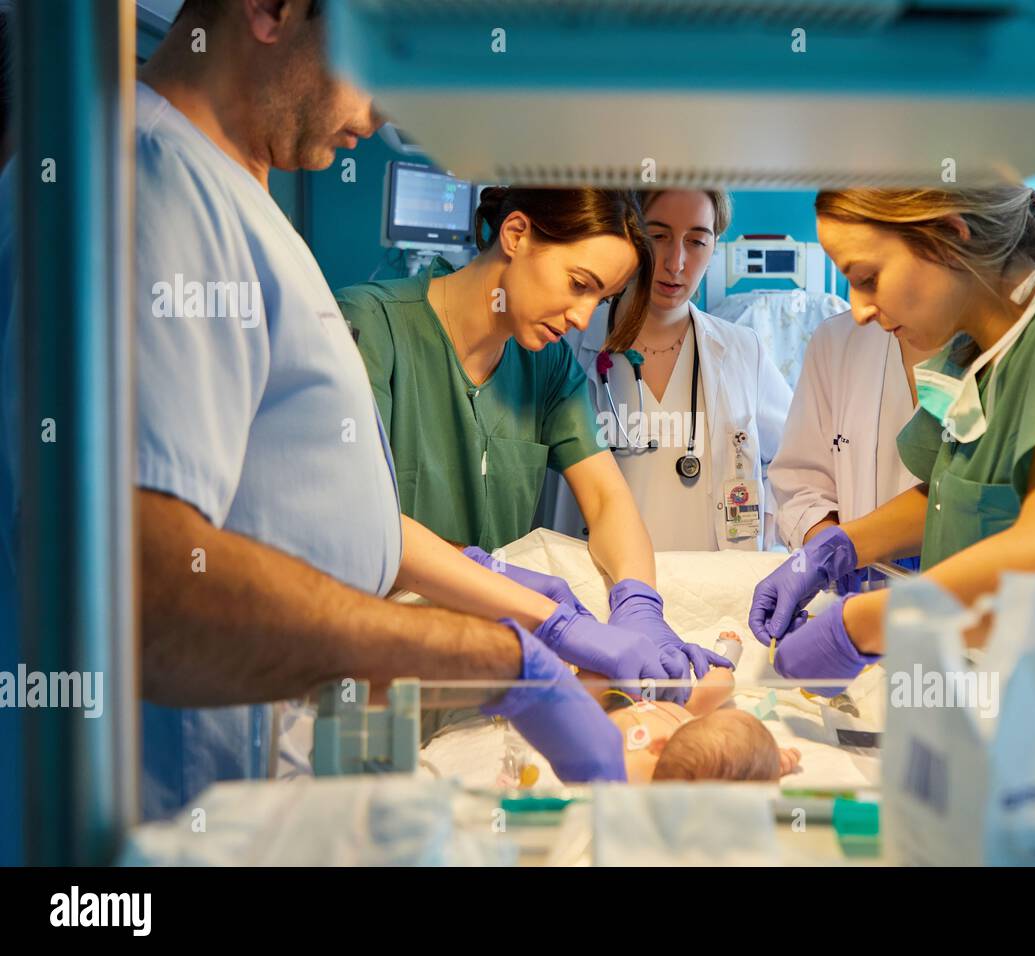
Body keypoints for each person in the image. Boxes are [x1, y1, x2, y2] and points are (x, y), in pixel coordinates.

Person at [0, 0, 627, 818]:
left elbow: (316, 509)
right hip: (155, 815)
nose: (382, 109)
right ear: (272, 10)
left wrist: (533, 615)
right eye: (373, 59)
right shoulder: (150, 182)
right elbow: (141, 588)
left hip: (249, 778)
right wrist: (494, 660)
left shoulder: (230, 192)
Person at [748, 185, 1035, 682]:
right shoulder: (973, 352)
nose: (859, 309)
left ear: (950, 235)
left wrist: (862, 625)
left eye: (867, 278)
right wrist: (833, 550)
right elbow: (950, 494)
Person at [339, 188, 731, 699]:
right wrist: (550, 619)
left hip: (489, 668)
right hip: (371, 663)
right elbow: (365, 519)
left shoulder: (548, 369)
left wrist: (638, 604)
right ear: (516, 234)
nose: (582, 318)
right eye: (577, 284)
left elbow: (608, 500)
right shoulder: (370, 327)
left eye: (601, 299)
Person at [558, 189, 792, 551]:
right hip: (600, 590)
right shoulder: (568, 344)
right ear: (631, 234)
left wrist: (766, 535)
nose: (676, 262)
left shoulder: (745, 352)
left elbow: (796, 466)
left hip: (713, 593)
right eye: (658, 236)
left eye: (697, 241)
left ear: (714, 248)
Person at [768, 308, 937, 590]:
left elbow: (959, 495)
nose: (859, 305)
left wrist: (848, 545)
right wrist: (824, 545)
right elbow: (800, 483)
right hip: (857, 602)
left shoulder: (1001, 355)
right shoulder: (839, 339)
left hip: (973, 610)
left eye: (867, 277)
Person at [580, 633, 802, 783]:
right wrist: (767, 761)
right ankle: (722, 660)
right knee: (723, 679)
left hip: (612, 704)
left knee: (594, 677)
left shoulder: (630, 771)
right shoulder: (695, 755)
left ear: (659, 746)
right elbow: (739, 771)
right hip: (682, 706)